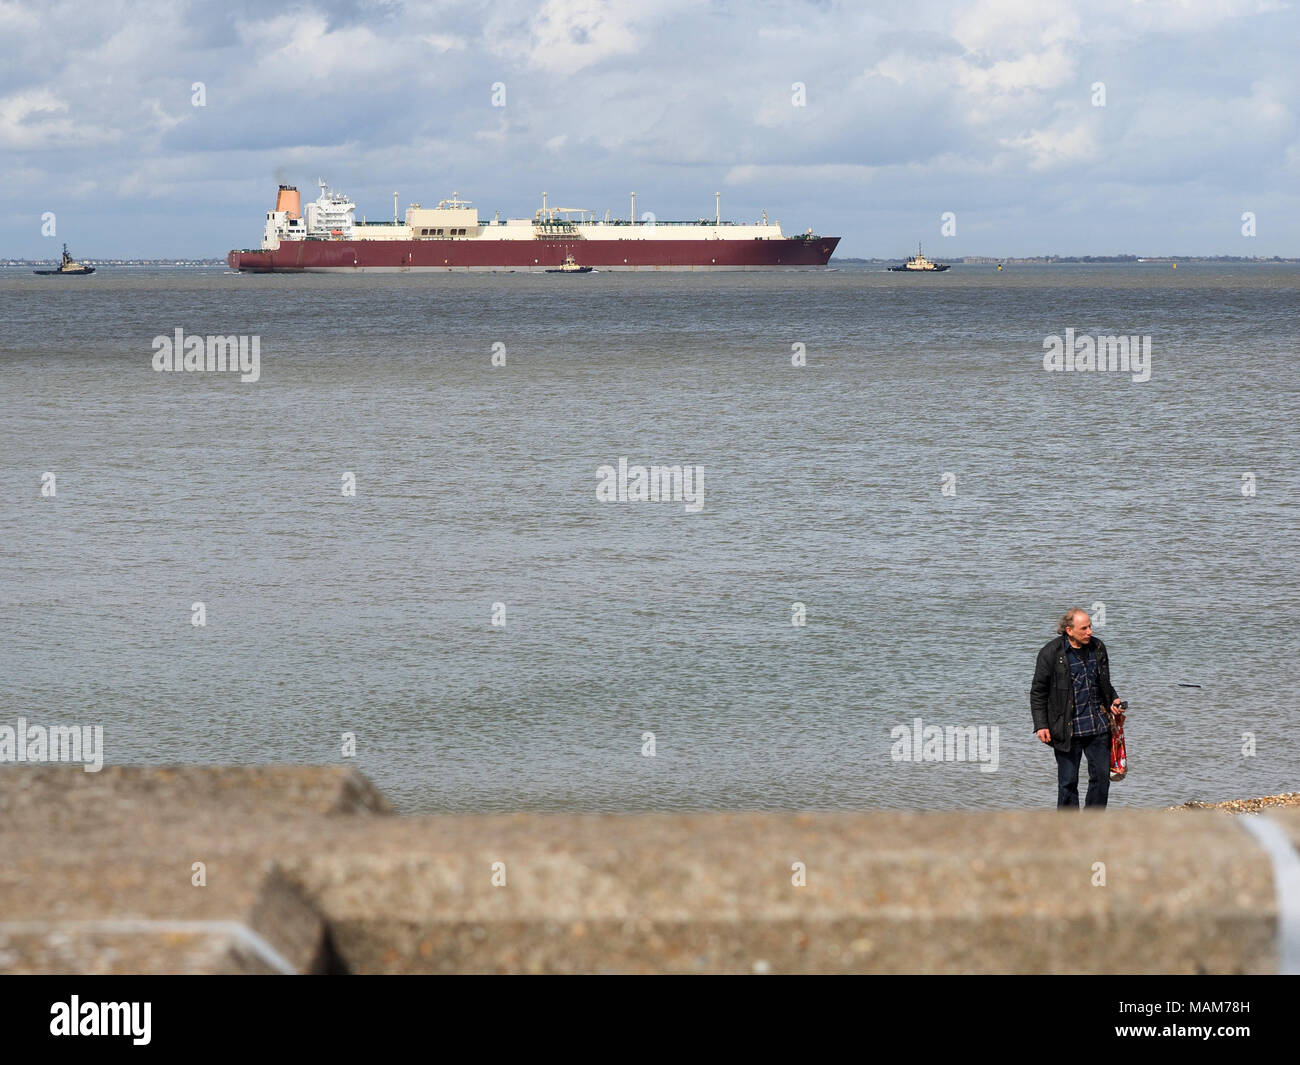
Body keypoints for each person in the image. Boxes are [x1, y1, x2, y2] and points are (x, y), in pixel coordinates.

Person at [1030, 608, 1124, 809]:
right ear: (1069, 630)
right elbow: (1038, 692)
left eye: (1090, 626)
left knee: (1101, 779)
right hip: (1066, 728)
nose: (1090, 631)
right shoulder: (1050, 653)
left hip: (1098, 725)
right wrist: (1041, 725)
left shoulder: (1098, 648)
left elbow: (1104, 682)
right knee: (1068, 783)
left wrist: (1113, 700)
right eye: (1084, 628)